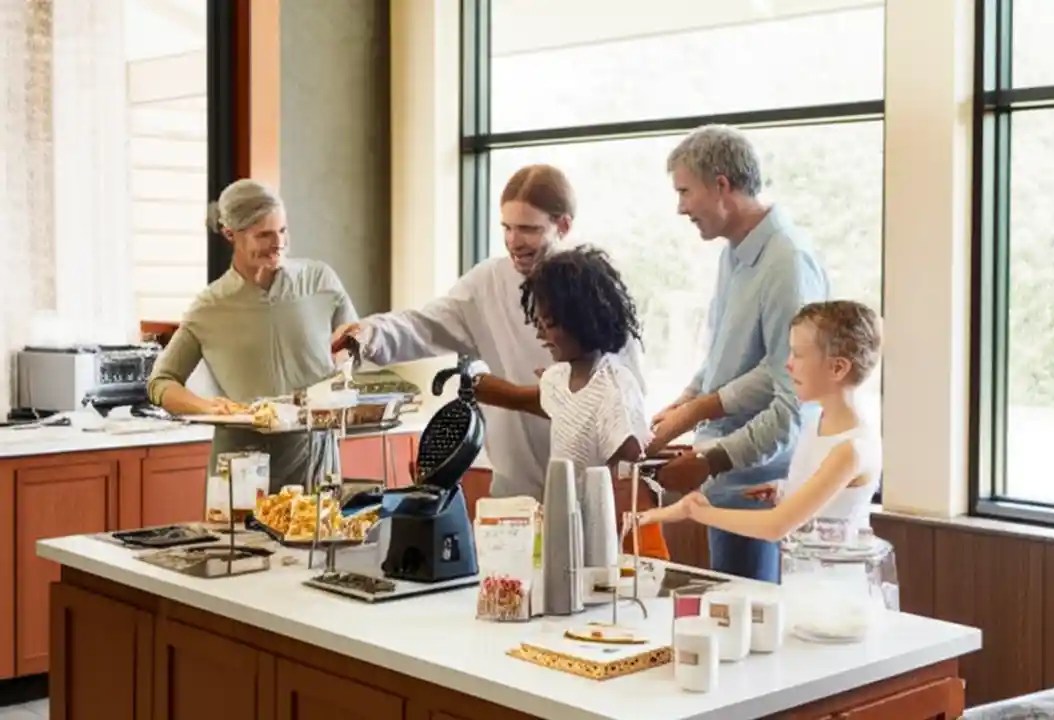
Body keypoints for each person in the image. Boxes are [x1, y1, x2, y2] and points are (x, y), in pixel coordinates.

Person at [331, 165, 646, 500]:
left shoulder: (593, 290)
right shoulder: (487, 283)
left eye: (528, 229)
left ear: (563, 225)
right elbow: (424, 326)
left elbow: (623, 402)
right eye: (507, 228)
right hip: (514, 486)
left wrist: (514, 394)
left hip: (593, 491)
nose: (513, 241)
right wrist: (369, 334)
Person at [647, 124, 829, 583]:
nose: (680, 208)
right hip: (726, 476)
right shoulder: (733, 252)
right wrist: (686, 402)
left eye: (685, 192)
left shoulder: (787, 261)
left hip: (759, 483)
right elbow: (724, 354)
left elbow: (788, 390)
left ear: (721, 185)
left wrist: (706, 440)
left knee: (749, 613)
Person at [147, 179, 358, 491]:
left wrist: (341, 370)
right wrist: (207, 407)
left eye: (283, 231)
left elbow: (354, 343)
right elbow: (160, 382)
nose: (279, 243)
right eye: (264, 235)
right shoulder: (210, 307)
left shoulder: (319, 281)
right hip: (242, 472)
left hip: (316, 463)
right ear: (230, 234)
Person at [631, 301, 882, 554]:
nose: (788, 364)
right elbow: (829, 499)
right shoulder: (817, 422)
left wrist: (695, 511)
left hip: (833, 577)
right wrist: (784, 490)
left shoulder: (851, 450)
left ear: (837, 368)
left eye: (798, 354)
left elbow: (777, 526)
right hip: (804, 572)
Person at [468, 246, 668, 559]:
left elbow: (629, 477)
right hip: (566, 532)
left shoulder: (614, 388)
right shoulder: (556, 380)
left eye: (548, 324)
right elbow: (537, 402)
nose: (540, 336)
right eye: (538, 322)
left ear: (580, 322)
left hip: (608, 543)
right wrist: (471, 383)